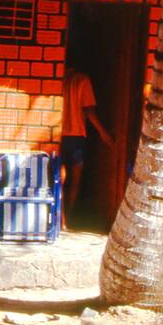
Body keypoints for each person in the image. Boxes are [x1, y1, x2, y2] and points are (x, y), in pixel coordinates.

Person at [60, 58, 112, 229]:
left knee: (58, 178)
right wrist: (103, 133)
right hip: (76, 135)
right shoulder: (82, 79)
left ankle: (59, 219)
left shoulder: (58, 78)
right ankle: (67, 217)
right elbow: (88, 109)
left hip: (58, 135)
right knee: (74, 179)